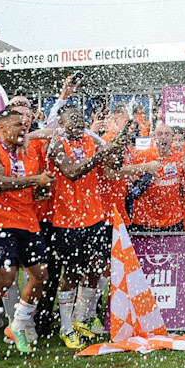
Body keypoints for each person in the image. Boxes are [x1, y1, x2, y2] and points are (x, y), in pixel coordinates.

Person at [0, 108, 56, 361]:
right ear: (2, 127)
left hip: (27, 221)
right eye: (18, 124)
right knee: (4, 278)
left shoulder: (29, 154)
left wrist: (42, 190)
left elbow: (32, 188)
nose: (24, 128)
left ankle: (17, 325)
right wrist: (35, 181)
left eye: (26, 124)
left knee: (41, 275)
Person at [47, 105, 119, 349]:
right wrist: (101, 154)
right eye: (72, 120)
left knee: (96, 267)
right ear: (62, 123)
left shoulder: (91, 140)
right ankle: (66, 327)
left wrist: (117, 148)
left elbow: (115, 162)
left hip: (95, 216)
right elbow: (72, 173)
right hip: (67, 220)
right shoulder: (57, 144)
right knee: (72, 272)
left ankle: (80, 319)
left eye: (81, 120)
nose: (78, 124)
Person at [130, 123, 185, 233]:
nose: (163, 137)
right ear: (154, 138)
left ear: (172, 138)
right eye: (159, 134)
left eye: (167, 134)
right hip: (145, 220)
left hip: (172, 220)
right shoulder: (143, 156)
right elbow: (127, 174)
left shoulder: (180, 157)